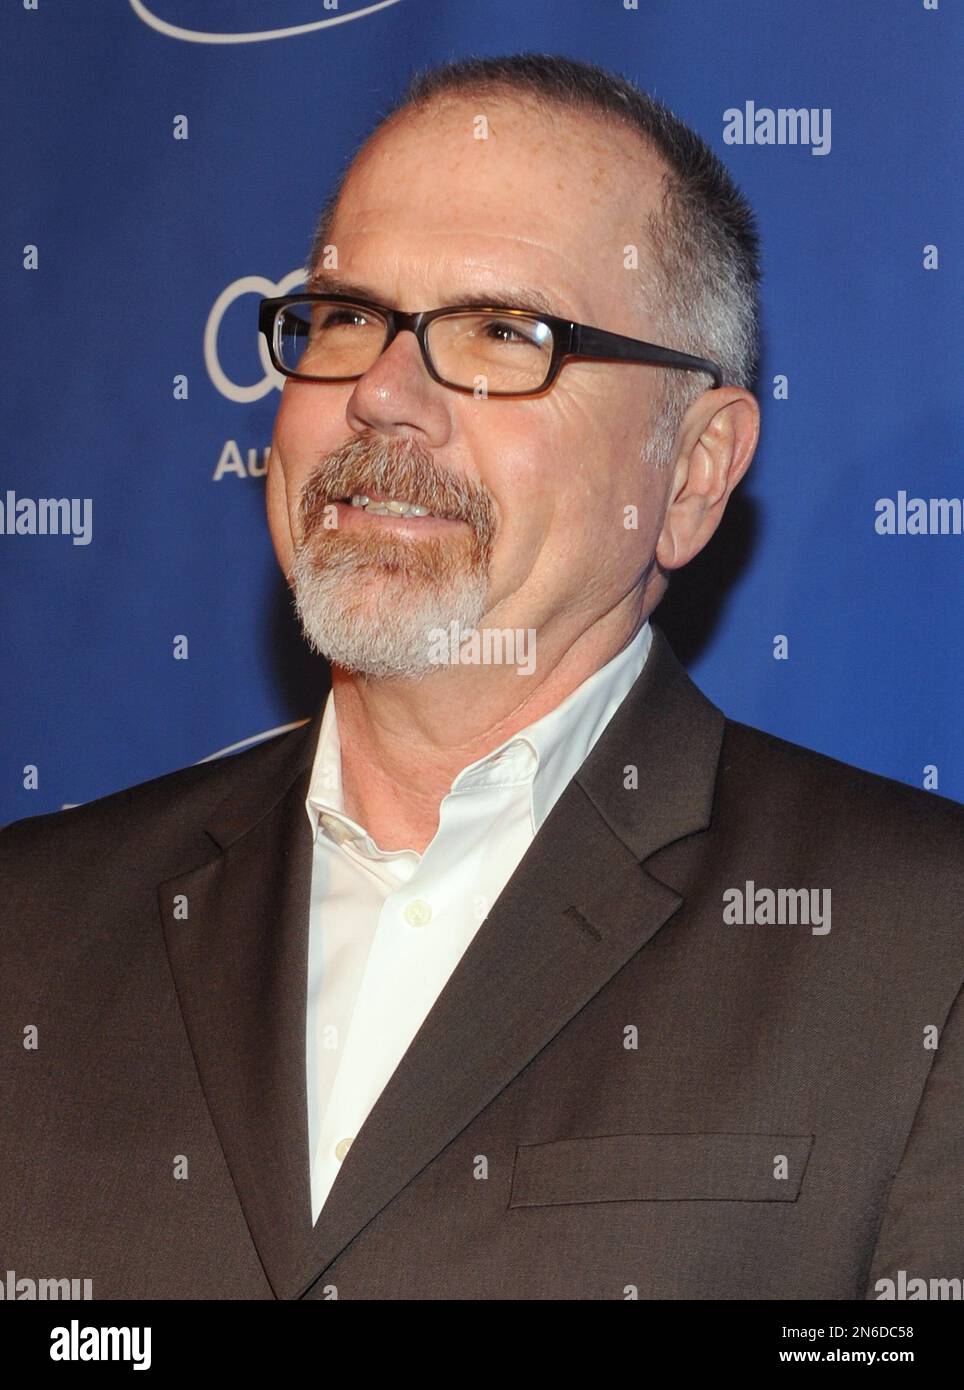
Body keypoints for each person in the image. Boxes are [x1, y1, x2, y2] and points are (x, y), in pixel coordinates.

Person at [2, 53, 962, 1302]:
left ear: (691, 474)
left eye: (506, 333)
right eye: (345, 318)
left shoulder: (921, 950)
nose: (383, 398)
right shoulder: (32, 932)